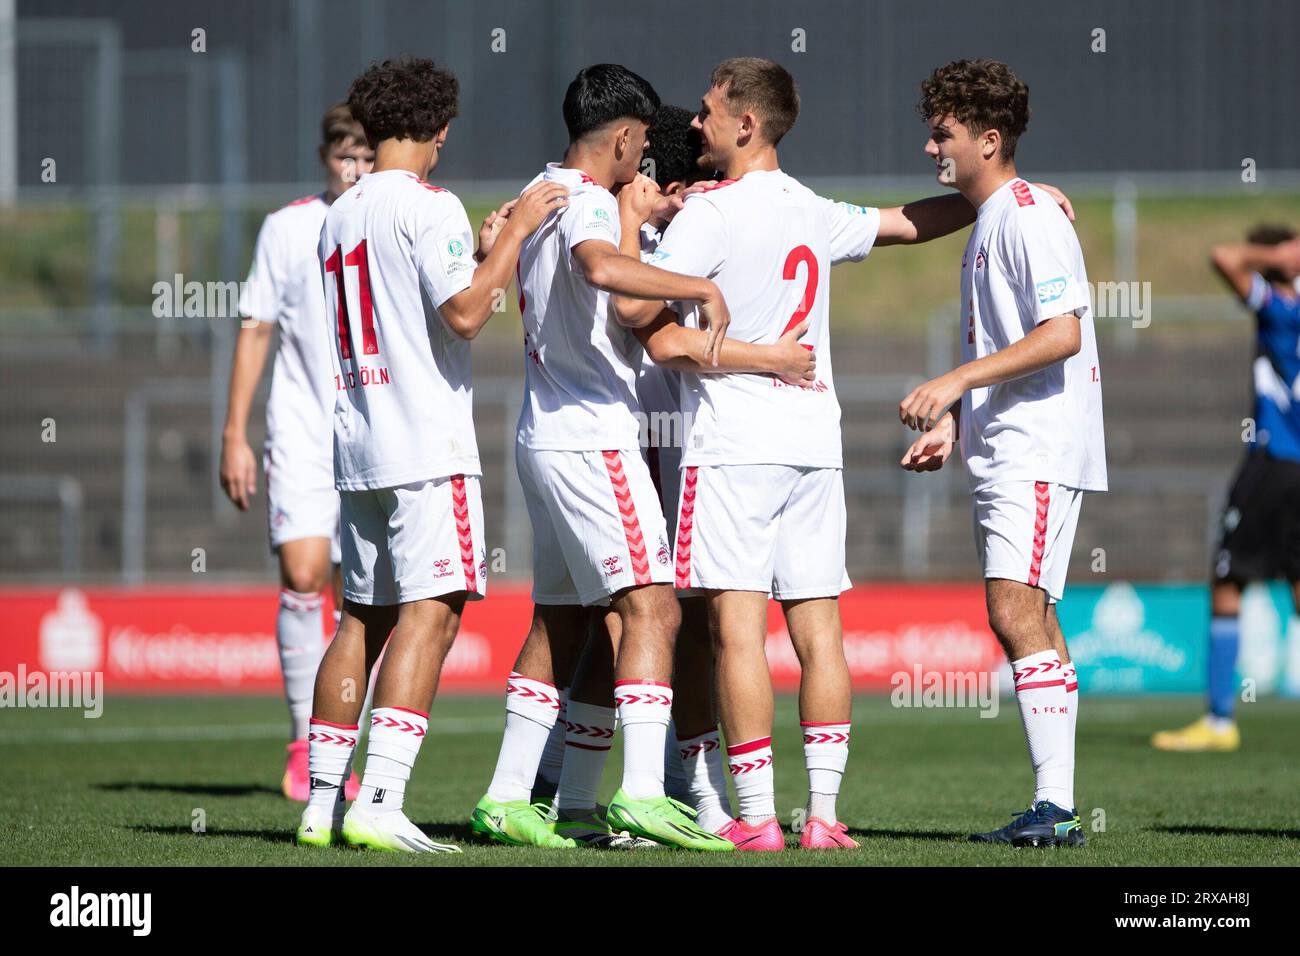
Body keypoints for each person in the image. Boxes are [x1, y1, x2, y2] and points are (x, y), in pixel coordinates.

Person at [612, 57, 1039, 850]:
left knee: (736, 631)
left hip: (735, 444)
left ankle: (757, 818)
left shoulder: (711, 212)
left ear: (746, 123)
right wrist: (1008, 195)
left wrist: (640, 232)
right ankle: (827, 815)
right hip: (814, 441)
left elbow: (637, 305)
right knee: (820, 631)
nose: (696, 124)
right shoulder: (812, 209)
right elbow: (914, 220)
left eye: (708, 112)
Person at [294, 56, 568, 852]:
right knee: (433, 611)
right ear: (436, 129)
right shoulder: (429, 202)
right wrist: (512, 235)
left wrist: (482, 258)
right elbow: (466, 316)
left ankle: (321, 803)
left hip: (360, 444)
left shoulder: (338, 213)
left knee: (360, 621)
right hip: (423, 444)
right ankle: (380, 801)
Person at [899, 58, 1106, 847]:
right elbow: (1013, 339)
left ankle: (1054, 808)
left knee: (1014, 610)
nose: (930, 147)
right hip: (1011, 446)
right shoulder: (995, 219)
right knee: (1033, 616)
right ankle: (1055, 807)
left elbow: (1063, 334)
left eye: (943, 134)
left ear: (988, 140)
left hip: (1038, 447)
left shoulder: (1026, 216)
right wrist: (956, 422)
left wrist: (953, 382)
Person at [220, 103, 372, 802]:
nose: (357, 167)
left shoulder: (392, 217)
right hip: (302, 431)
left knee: (362, 599)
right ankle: (303, 738)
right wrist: (234, 434)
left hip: (375, 432)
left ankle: (342, 754)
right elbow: (256, 329)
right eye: (347, 154)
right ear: (325, 156)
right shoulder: (287, 227)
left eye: (368, 155)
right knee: (304, 572)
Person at [1152, 225, 1300, 752]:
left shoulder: (1277, 308)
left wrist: (1272, 255)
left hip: (1273, 462)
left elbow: (1223, 256)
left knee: (1228, 580)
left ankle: (1218, 721)